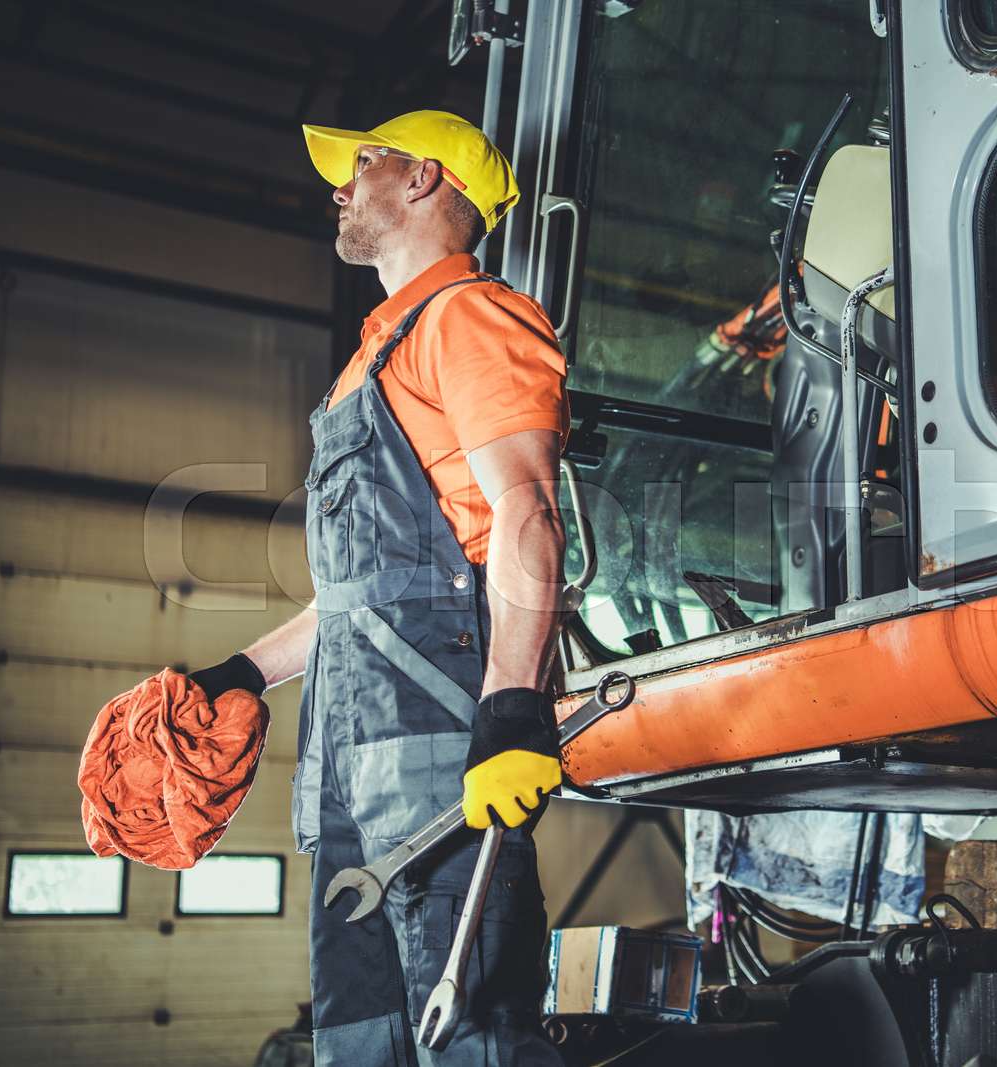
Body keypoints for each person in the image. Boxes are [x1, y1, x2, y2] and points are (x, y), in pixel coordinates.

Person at [187, 109, 568, 1065]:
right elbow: (352, 602)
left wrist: (514, 707)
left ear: (425, 179)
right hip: (346, 771)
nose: (340, 185)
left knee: (471, 1033)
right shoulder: (371, 360)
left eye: (361, 163)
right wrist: (233, 673)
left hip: (442, 751)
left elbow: (525, 512)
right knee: (357, 1041)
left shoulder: (471, 320)